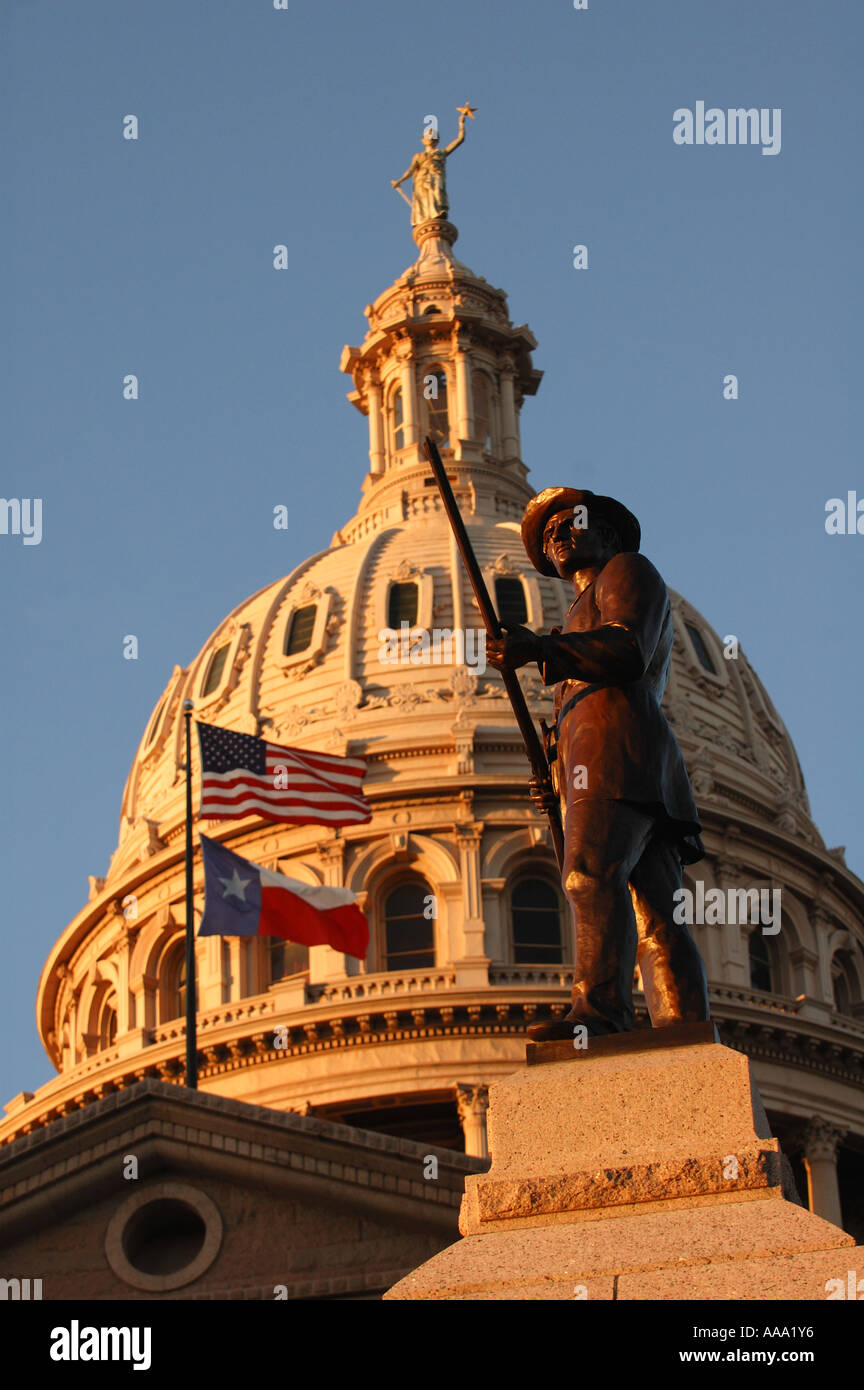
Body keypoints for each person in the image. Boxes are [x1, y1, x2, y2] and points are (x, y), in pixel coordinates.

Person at [485, 487, 711, 1039]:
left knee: (588, 877)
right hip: (611, 764)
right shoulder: (576, 610)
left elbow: (627, 650)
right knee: (655, 913)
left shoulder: (628, 572)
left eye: (571, 523)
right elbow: (579, 708)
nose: (558, 536)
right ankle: (683, 1031)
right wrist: (557, 778)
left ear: (608, 533)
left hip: (620, 759)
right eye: (549, 534)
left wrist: (539, 648)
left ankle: (599, 1013)